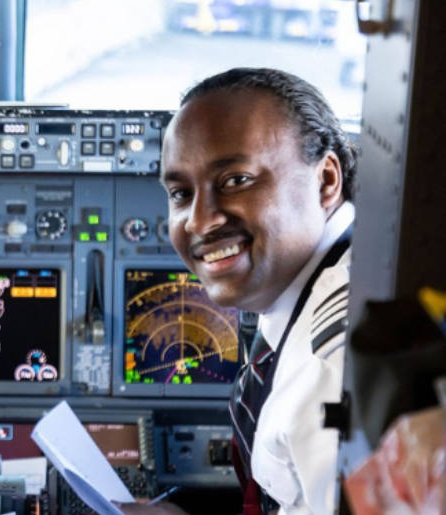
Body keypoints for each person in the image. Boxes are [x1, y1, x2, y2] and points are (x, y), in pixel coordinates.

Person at [120, 68, 358, 515]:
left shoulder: (333, 366)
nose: (198, 221)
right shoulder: (311, 295)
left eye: (235, 180)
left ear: (326, 180)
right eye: (180, 193)